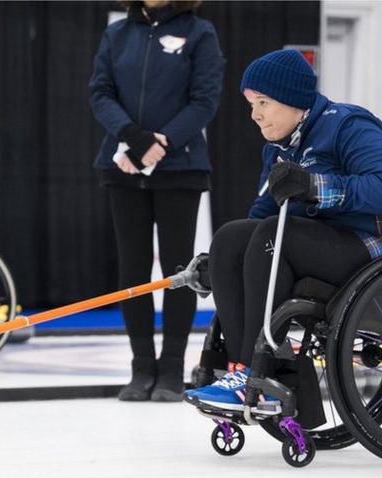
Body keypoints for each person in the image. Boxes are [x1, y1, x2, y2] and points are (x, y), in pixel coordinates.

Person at [185, 49, 382, 415]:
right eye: (251, 104)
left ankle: (262, 373)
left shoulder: (348, 124)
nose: (254, 114)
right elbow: (262, 212)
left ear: (293, 101)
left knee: (275, 234)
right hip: (330, 244)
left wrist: (315, 186)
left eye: (263, 102)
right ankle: (244, 371)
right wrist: (226, 261)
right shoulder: (278, 148)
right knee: (230, 238)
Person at [89, 0, 225, 402]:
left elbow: (205, 99)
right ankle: (141, 367)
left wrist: (161, 143)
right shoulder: (116, 34)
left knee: (177, 270)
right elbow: (100, 92)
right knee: (132, 269)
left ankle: (171, 370)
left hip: (179, 168)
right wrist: (133, 136)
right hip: (124, 165)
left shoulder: (200, 33)